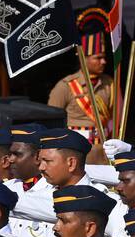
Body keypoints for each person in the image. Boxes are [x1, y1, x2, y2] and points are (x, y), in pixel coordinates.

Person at [48, 9, 115, 149]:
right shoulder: (65, 86)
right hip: (75, 152)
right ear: (83, 58)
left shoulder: (109, 84)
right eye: (98, 58)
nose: (104, 62)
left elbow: (116, 119)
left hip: (103, 152)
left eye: (104, 57)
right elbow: (51, 123)